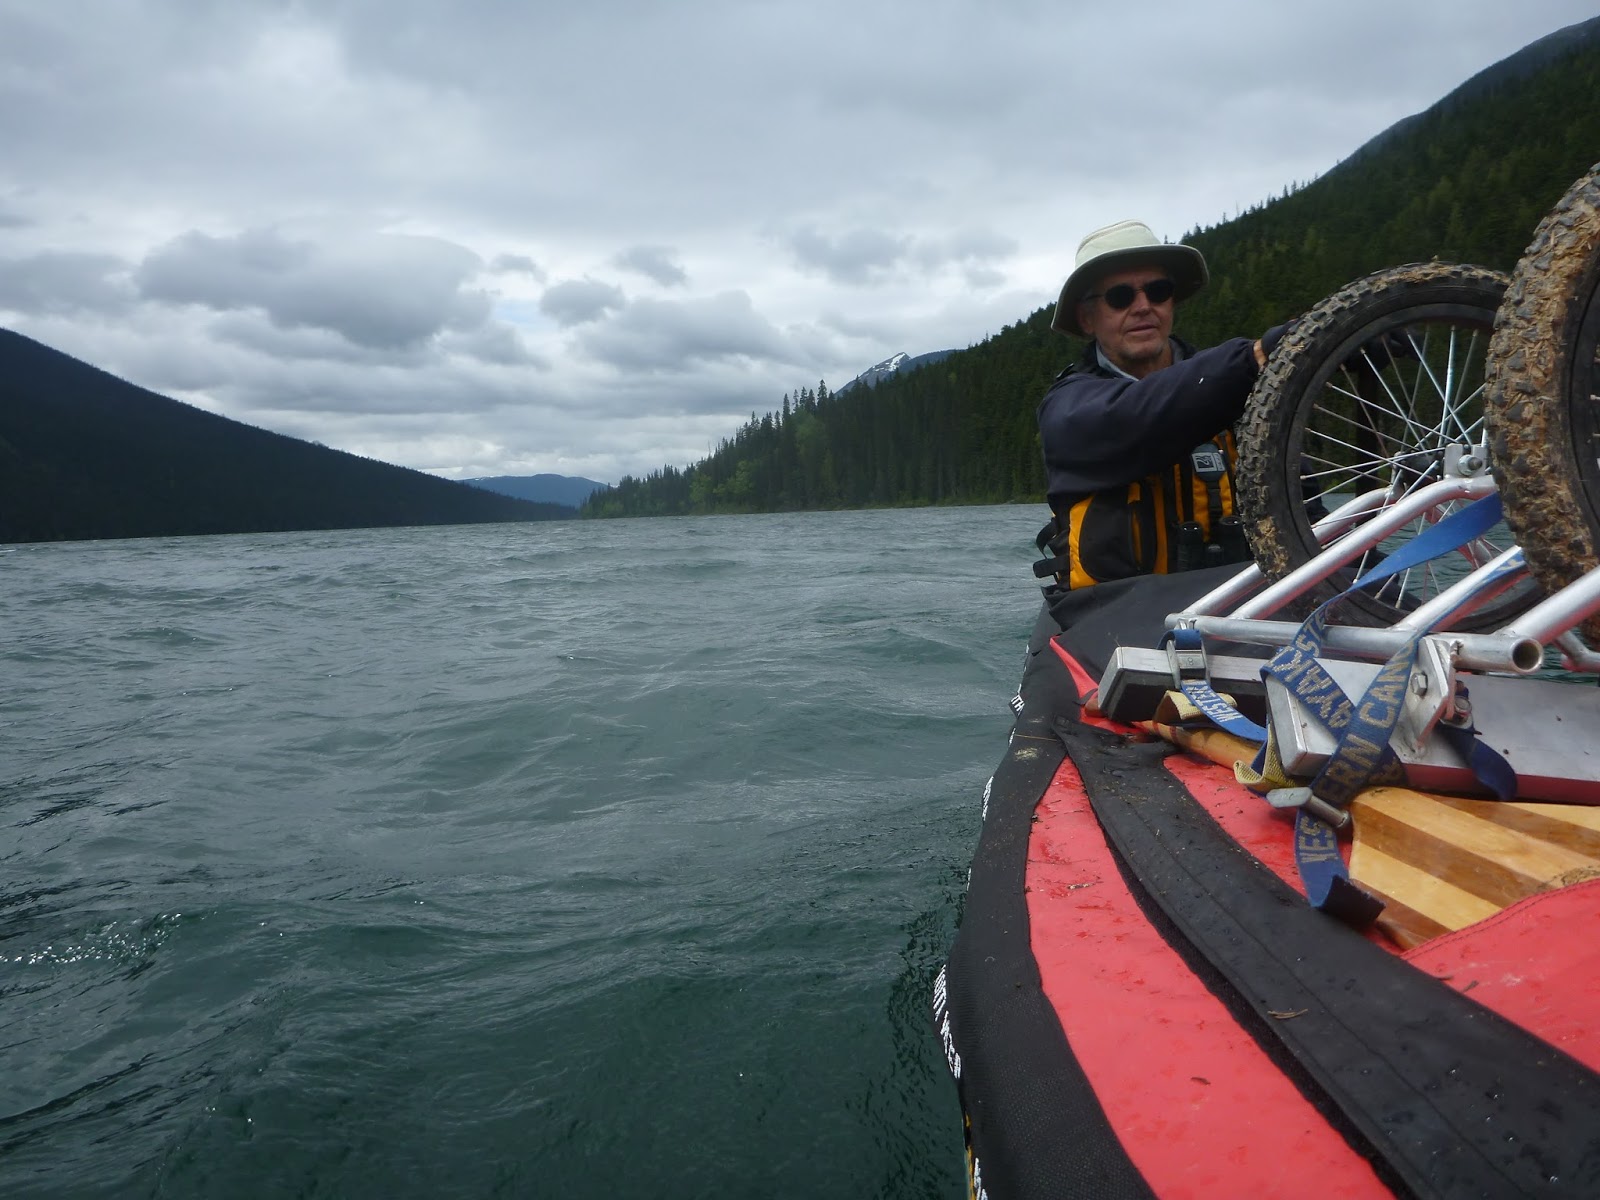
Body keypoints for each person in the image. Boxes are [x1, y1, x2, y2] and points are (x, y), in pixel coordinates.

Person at [1033, 220, 1290, 589]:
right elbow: (1130, 417)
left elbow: (1305, 507)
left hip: (1248, 606)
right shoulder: (1067, 408)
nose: (1142, 307)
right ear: (1087, 318)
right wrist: (1254, 359)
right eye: (1120, 297)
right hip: (1110, 617)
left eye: (1158, 291)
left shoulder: (1242, 387)